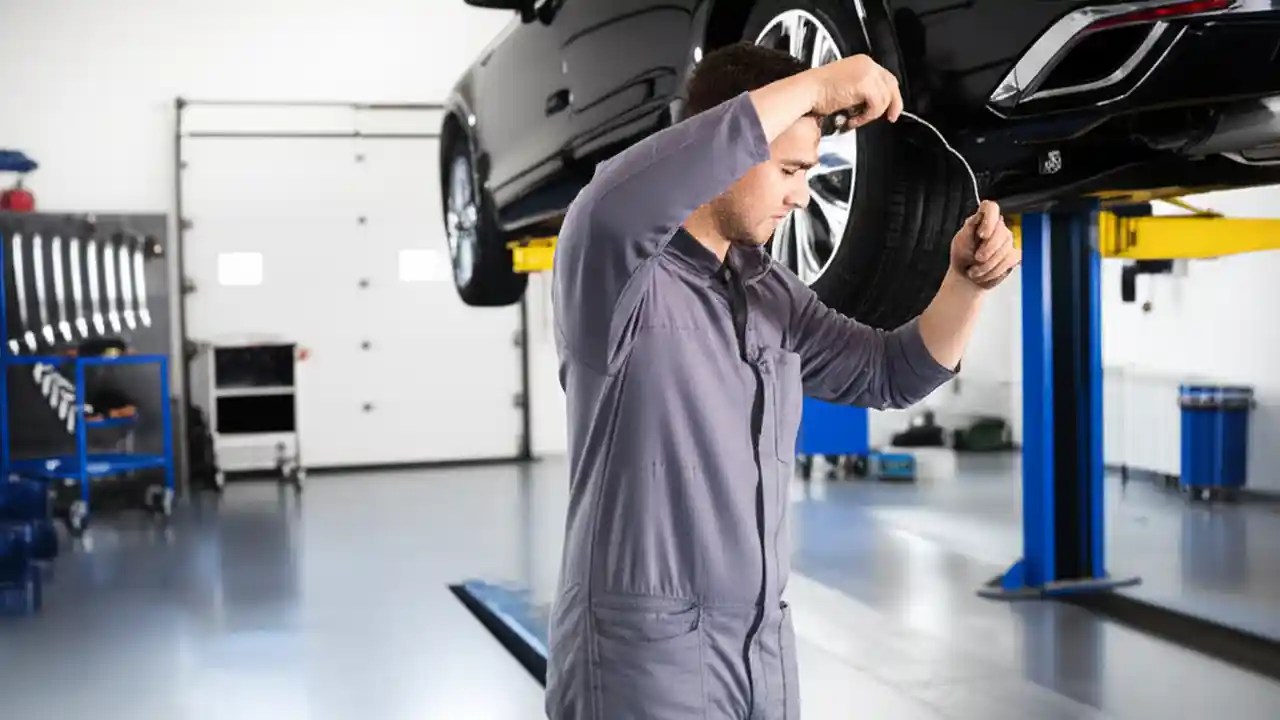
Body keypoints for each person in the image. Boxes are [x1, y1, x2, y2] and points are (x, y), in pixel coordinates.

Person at [545, 43, 1019, 720]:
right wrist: (820, 85)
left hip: (761, 650)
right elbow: (620, 191)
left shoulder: (766, 290)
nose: (802, 194)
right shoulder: (618, 265)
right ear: (723, 149)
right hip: (642, 663)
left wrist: (965, 286)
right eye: (790, 169)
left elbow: (890, 373)